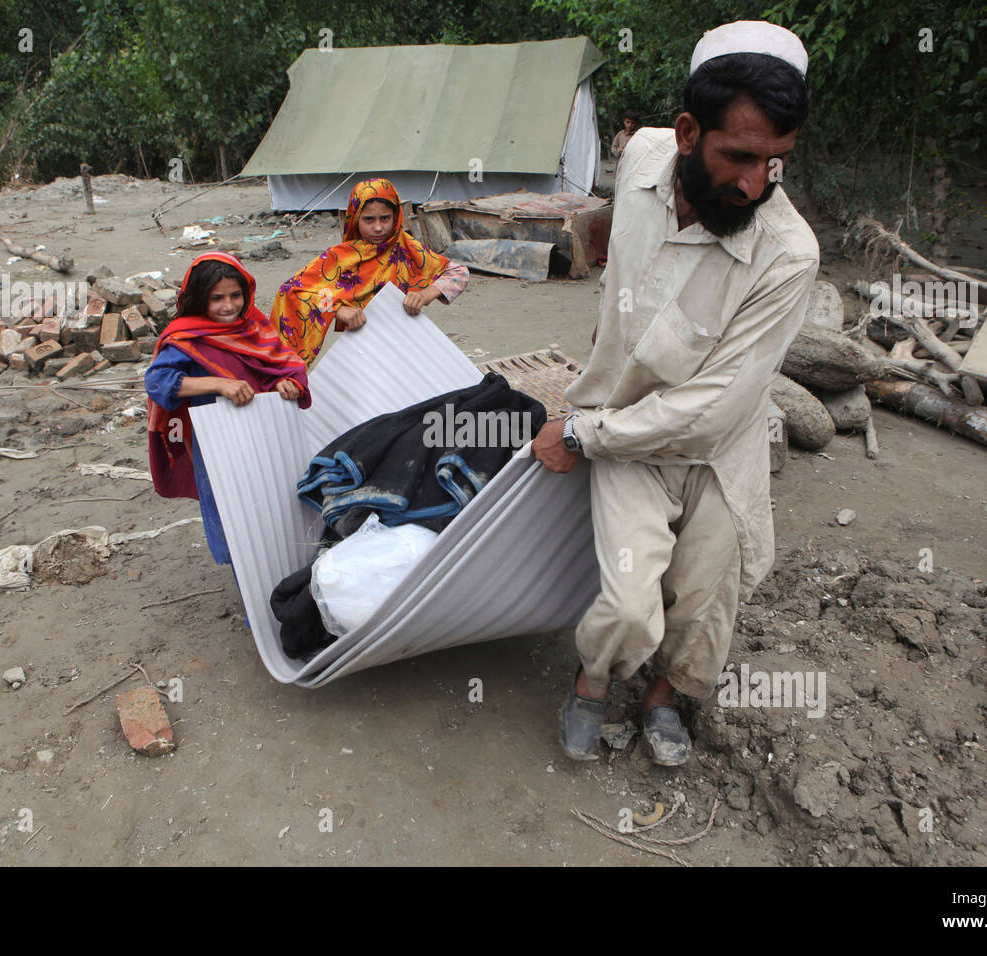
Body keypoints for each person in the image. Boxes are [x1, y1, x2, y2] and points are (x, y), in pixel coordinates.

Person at [532, 21, 820, 766]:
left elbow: (717, 406)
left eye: (777, 163)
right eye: (741, 157)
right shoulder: (643, 159)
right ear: (689, 132)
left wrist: (577, 436)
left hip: (719, 448)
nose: (757, 184)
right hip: (626, 428)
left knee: (701, 605)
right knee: (631, 604)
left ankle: (664, 698)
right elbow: (611, 235)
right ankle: (592, 681)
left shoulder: (786, 254)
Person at [146, 252, 310, 566]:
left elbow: (283, 364)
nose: (229, 306)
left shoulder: (255, 327)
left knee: (277, 508)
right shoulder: (185, 337)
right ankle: (252, 595)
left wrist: (286, 383)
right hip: (218, 444)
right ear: (198, 300)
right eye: (216, 298)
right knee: (235, 514)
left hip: (266, 436)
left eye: (236, 295)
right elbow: (158, 382)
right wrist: (218, 384)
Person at [269, 178, 470, 366]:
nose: (378, 227)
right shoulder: (339, 258)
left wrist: (425, 295)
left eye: (385, 218)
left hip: (406, 344)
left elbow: (459, 273)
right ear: (355, 218)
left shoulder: (408, 249)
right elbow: (295, 291)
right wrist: (338, 310)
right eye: (368, 219)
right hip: (359, 348)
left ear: (396, 216)